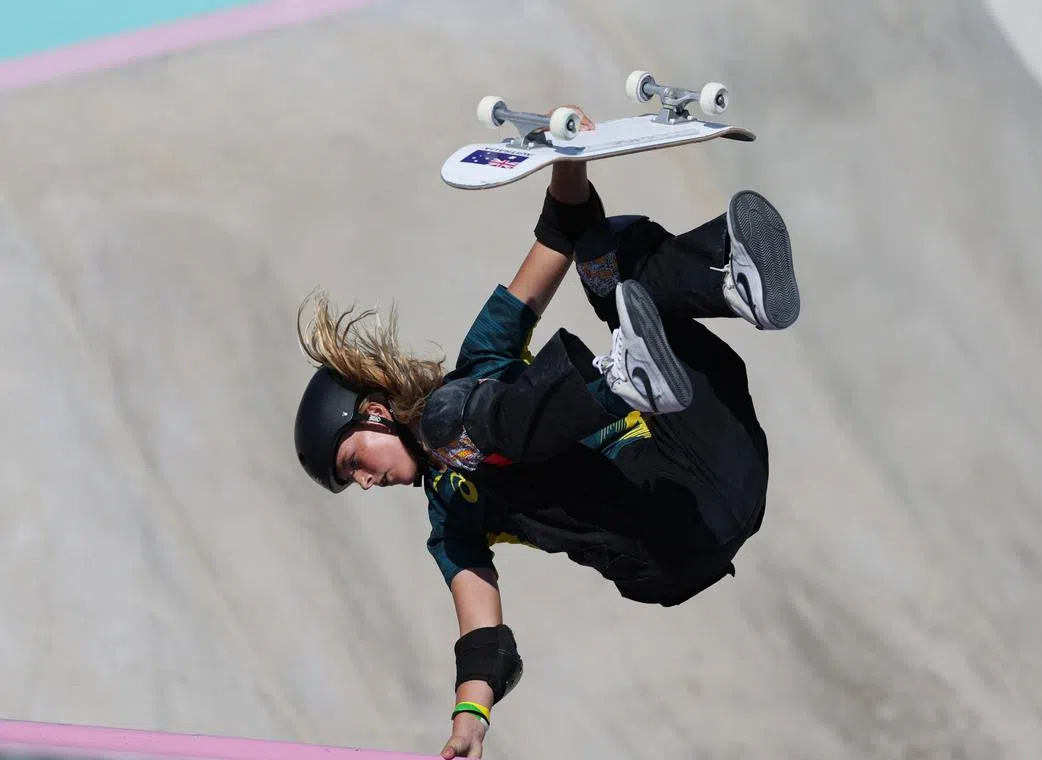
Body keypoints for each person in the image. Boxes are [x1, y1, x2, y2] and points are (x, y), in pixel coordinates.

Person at [292, 110, 800, 759]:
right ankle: (621, 381)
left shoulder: (482, 359)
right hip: (665, 542)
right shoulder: (453, 521)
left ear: (374, 412)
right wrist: (467, 722)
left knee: (605, 254)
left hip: (719, 458)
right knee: (454, 430)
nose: (365, 481)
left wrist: (569, 154)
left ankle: (726, 280)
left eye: (353, 462)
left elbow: (561, 236)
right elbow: (483, 638)